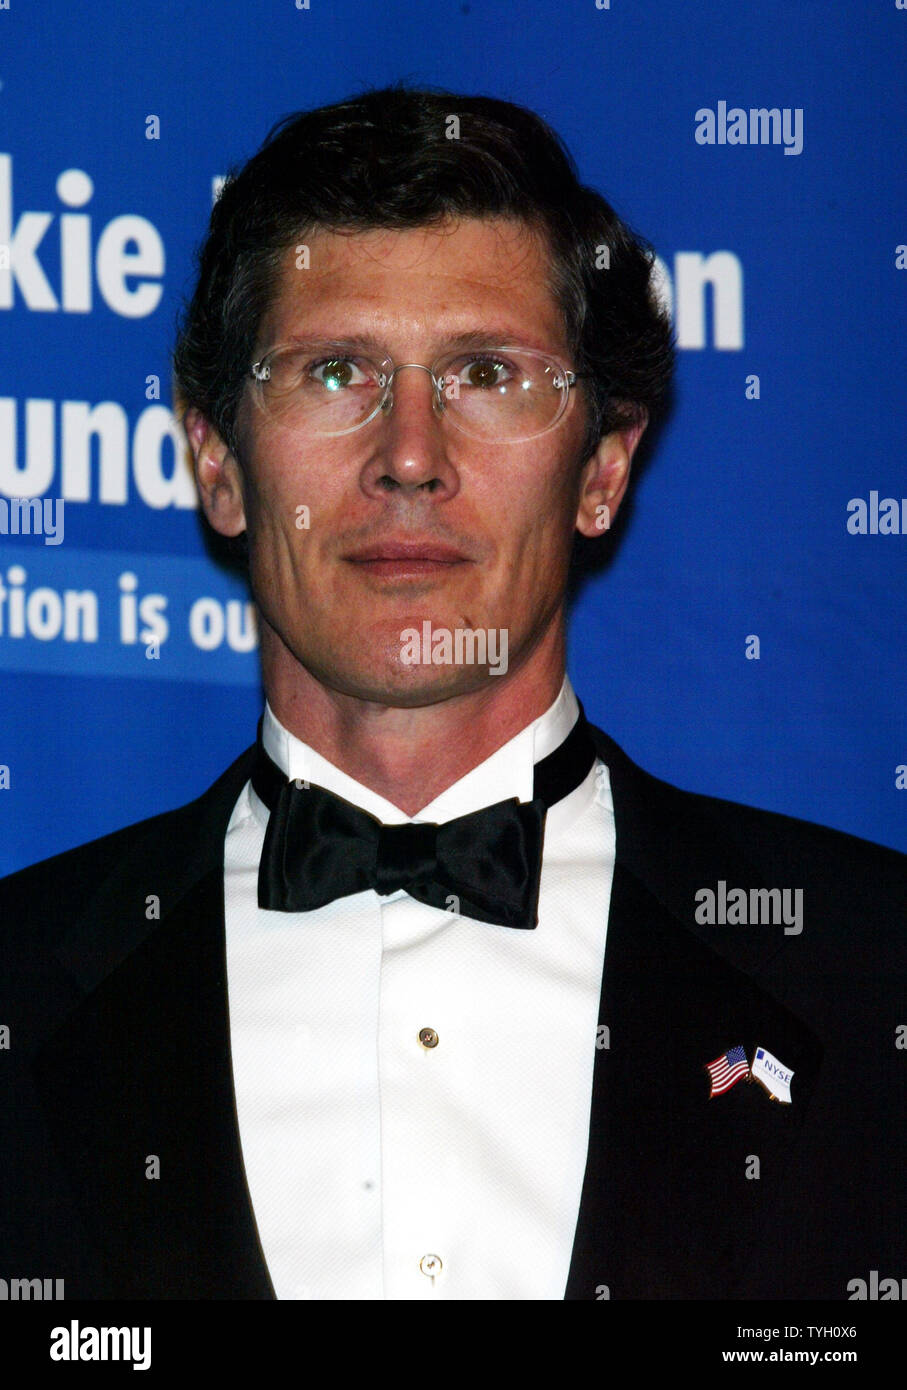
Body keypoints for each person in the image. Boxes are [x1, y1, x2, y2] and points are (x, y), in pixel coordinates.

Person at [1, 84, 904, 1302]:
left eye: (485, 372)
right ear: (217, 461)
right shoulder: (21, 988)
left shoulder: (869, 971)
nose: (410, 455)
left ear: (601, 468)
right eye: (333, 372)